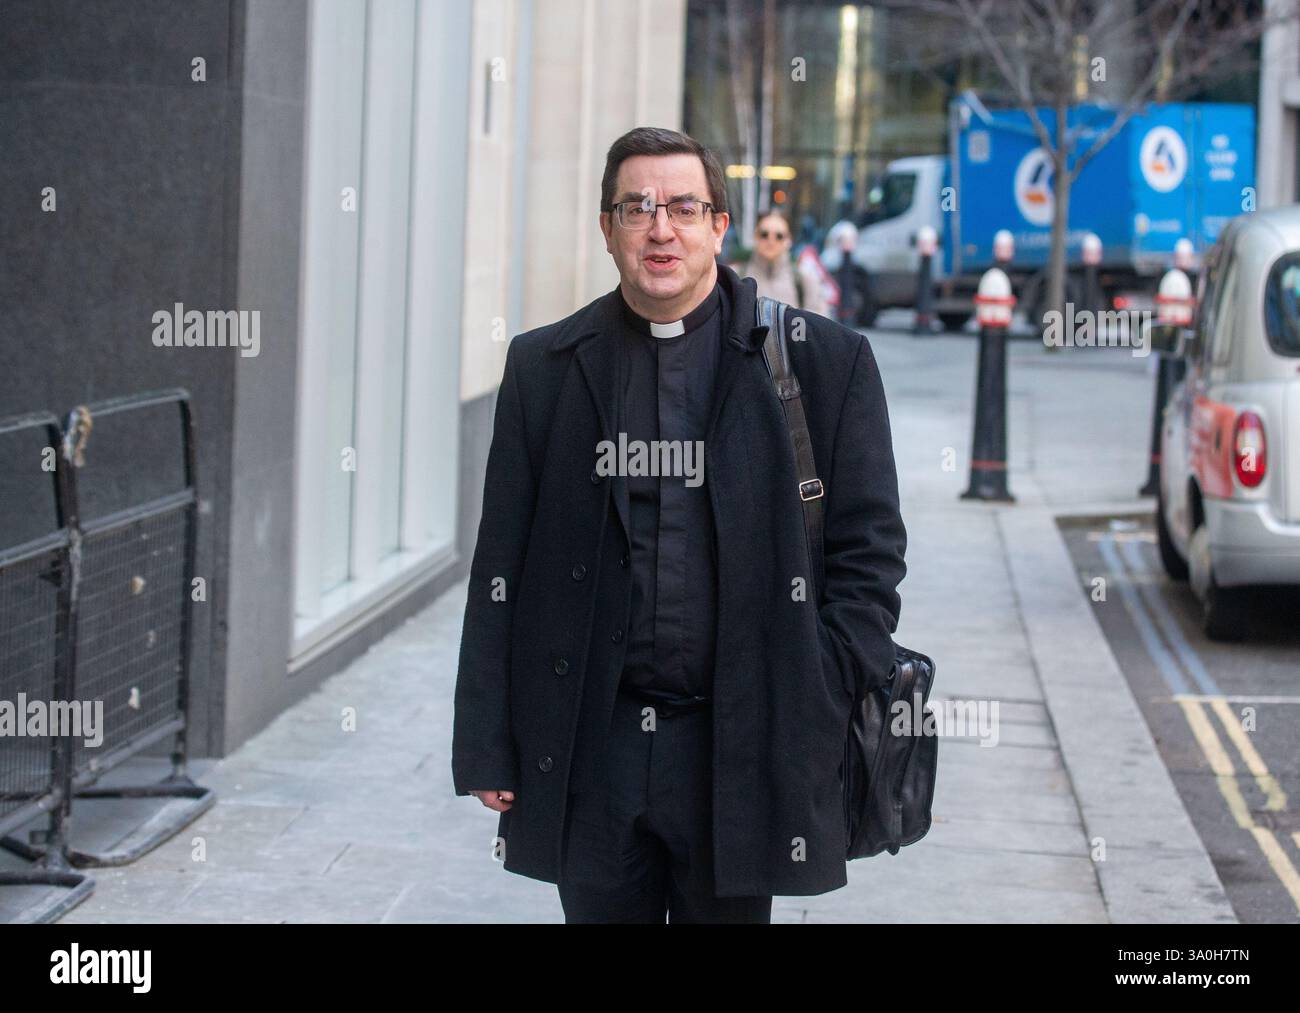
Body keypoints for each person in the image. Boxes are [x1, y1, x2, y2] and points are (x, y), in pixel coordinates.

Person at [451, 125, 907, 924]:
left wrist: (820, 683)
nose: (661, 229)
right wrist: (488, 740)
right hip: (596, 740)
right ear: (607, 229)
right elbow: (501, 566)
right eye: (637, 209)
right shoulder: (543, 370)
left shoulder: (823, 364)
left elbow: (870, 556)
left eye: (684, 208)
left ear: (719, 227)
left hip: (741, 741)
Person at [736, 209, 830, 317]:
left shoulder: (805, 278)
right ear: (755, 237)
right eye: (764, 234)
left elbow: (817, 325)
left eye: (779, 236)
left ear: (788, 240)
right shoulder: (737, 276)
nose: (771, 241)